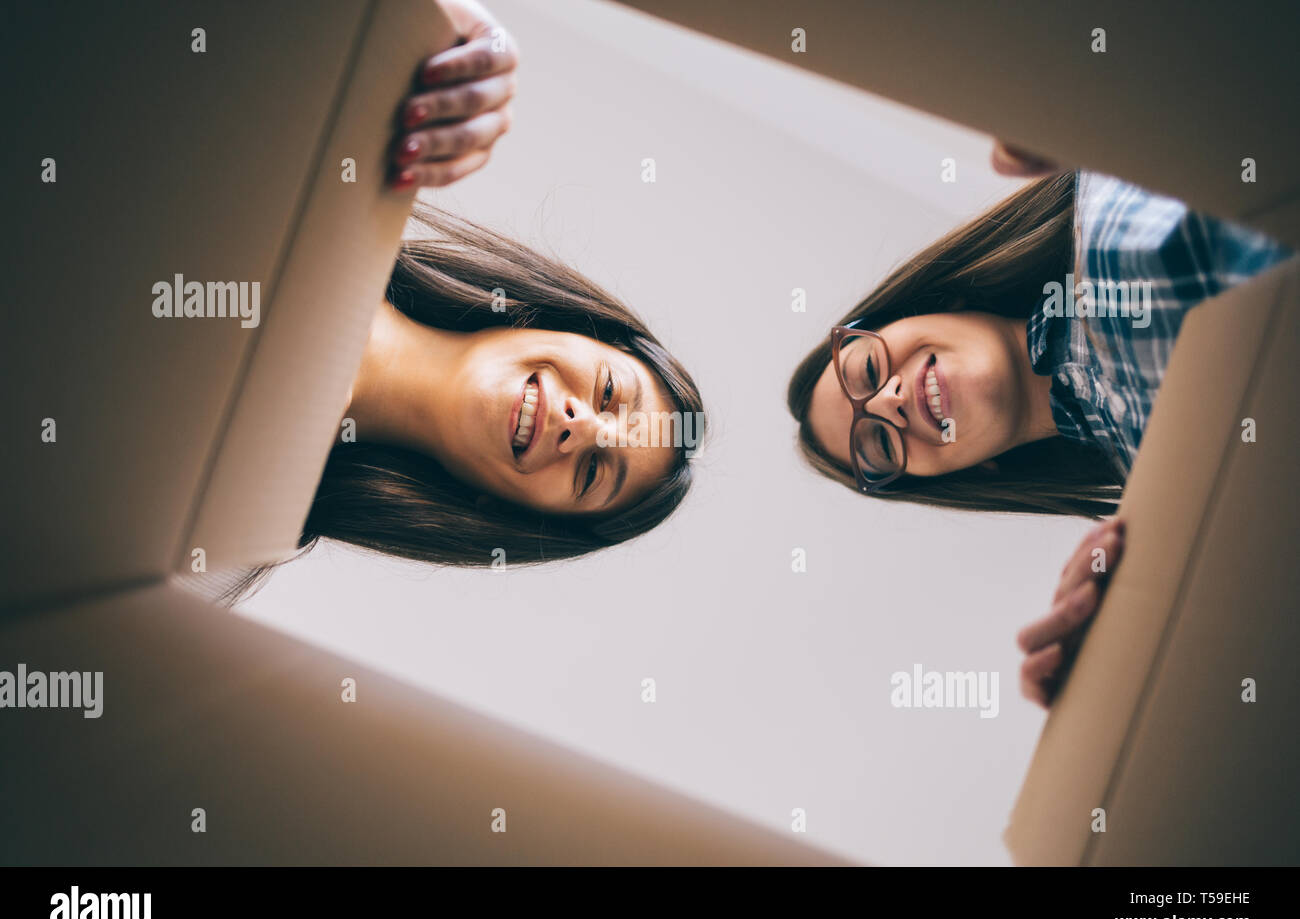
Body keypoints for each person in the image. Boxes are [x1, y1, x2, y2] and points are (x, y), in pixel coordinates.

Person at [215, 1, 706, 604]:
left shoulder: (235, 539)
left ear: (506, 512)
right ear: (563, 323)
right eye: (608, 392)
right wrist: (419, 26)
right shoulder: (350, 174)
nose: (581, 427)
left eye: (591, 472)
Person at [787, 151, 1291, 704]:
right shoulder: (1159, 512)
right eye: (879, 445)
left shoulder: (1109, 205)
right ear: (966, 471)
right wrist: (1123, 660)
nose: (889, 404)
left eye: (867, 370)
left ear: (926, 307)